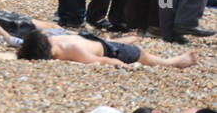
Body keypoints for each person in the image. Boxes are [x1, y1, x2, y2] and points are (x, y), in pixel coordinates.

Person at [16, 29, 197, 68]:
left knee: (94, 40)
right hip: (108, 50)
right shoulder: (69, 49)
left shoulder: (57, 40)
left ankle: (119, 40)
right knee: (140, 53)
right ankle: (171, 62)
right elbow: (98, 60)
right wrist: (119, 63)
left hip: (88, 39)